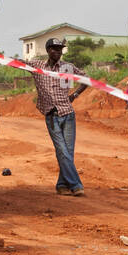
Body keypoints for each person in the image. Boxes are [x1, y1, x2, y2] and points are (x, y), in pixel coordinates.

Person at [31, 37, 88, 196]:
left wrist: (75, 94)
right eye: (55, 49)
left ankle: (62, 185)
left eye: (60, 49)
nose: (58, 52)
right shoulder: (37, 66)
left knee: (67, 152)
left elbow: (86, 80)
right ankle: (76, 185)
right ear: (48, 50)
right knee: (62, 150)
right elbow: (17, 63)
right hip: (51, 116)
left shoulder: (67, 67)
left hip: (68, 114)